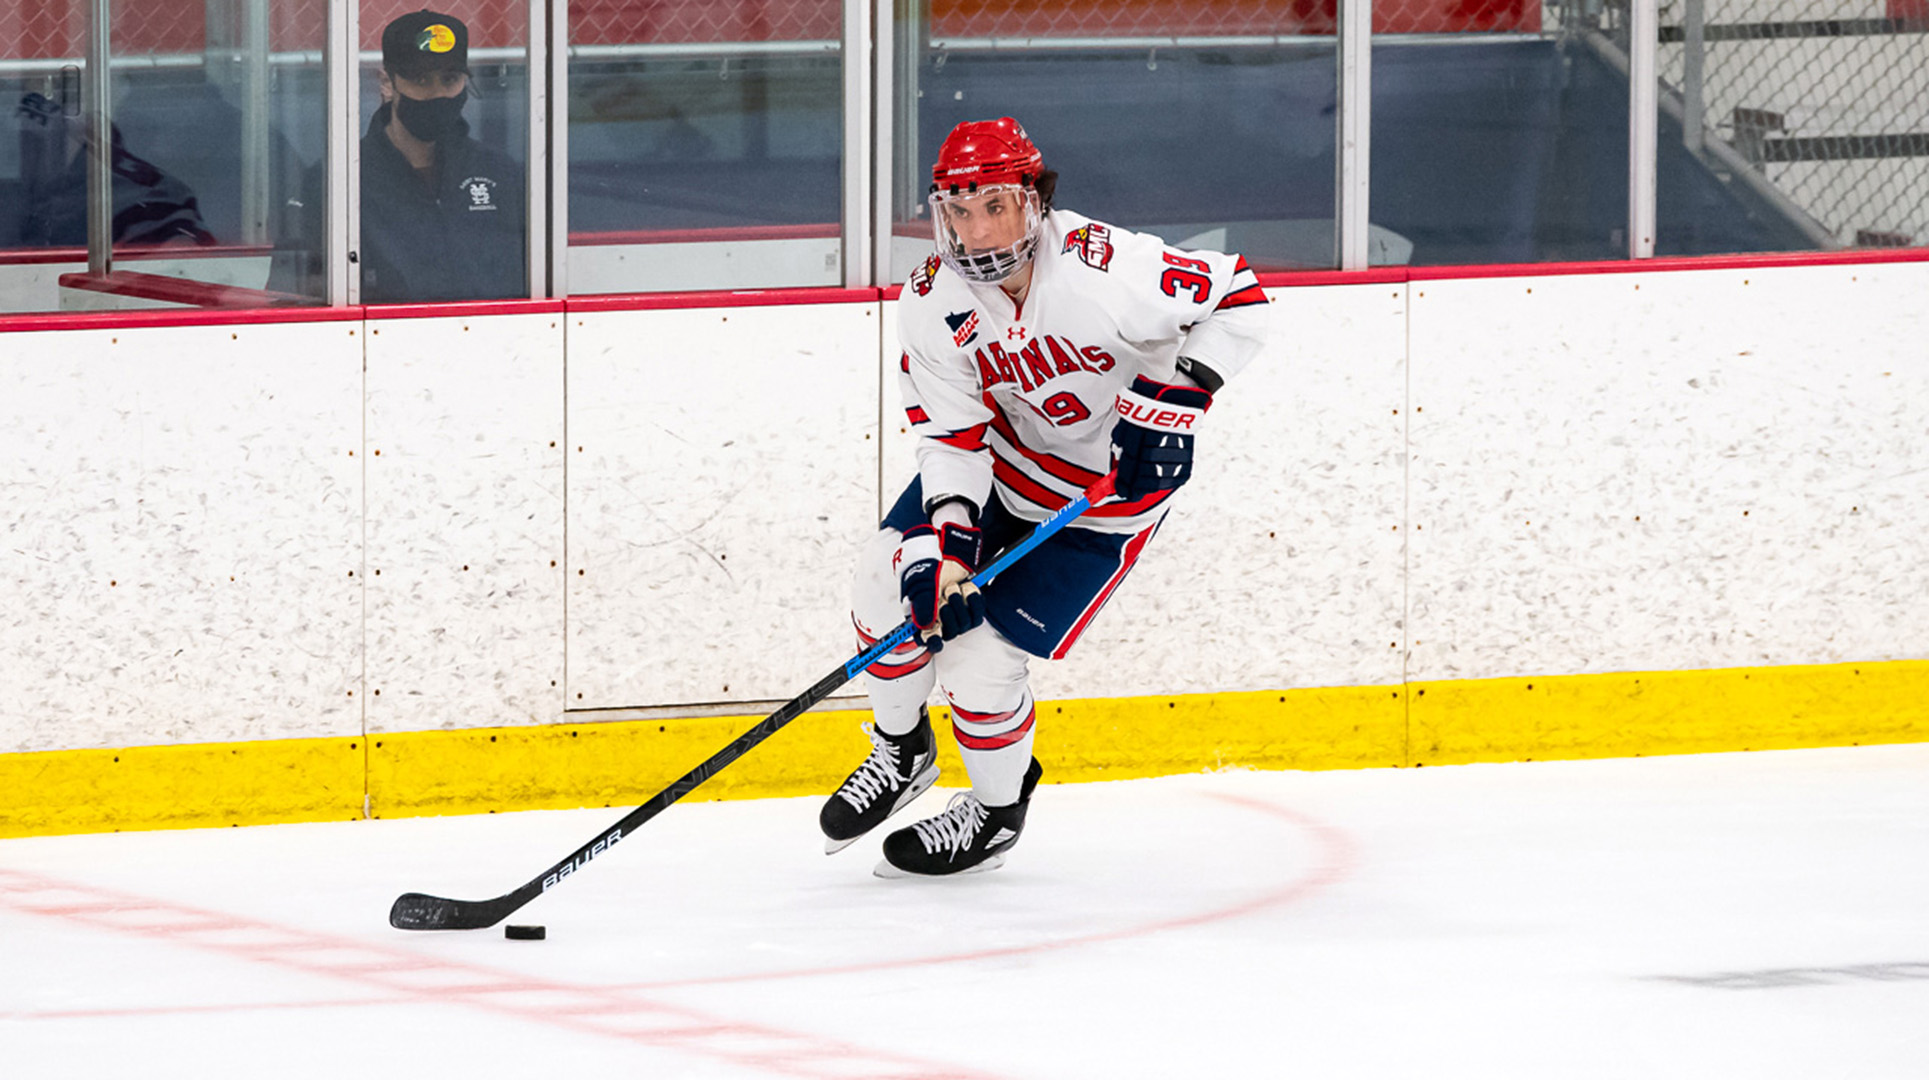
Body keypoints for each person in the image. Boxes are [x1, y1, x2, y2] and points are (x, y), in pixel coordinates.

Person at [820, 117, 1271, 877]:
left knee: (980, 662)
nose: (974, 230)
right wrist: (949, 550)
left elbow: (1242, 296)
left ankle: (995, 813)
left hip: (1101, 502)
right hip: (998, 469)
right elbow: (952, 435)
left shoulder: (1109, 267)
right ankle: (901, 751)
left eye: (993, 205)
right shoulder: (932, 297)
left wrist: (1177, 402)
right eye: (956, 211)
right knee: (888, 581)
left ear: (1034, 200)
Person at [268, 10, 524, 302]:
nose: (438, 93)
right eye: (421, 79)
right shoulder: (337, 181)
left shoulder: (500, 174)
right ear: (387, 83)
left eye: (450, 79)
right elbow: (291, 300)